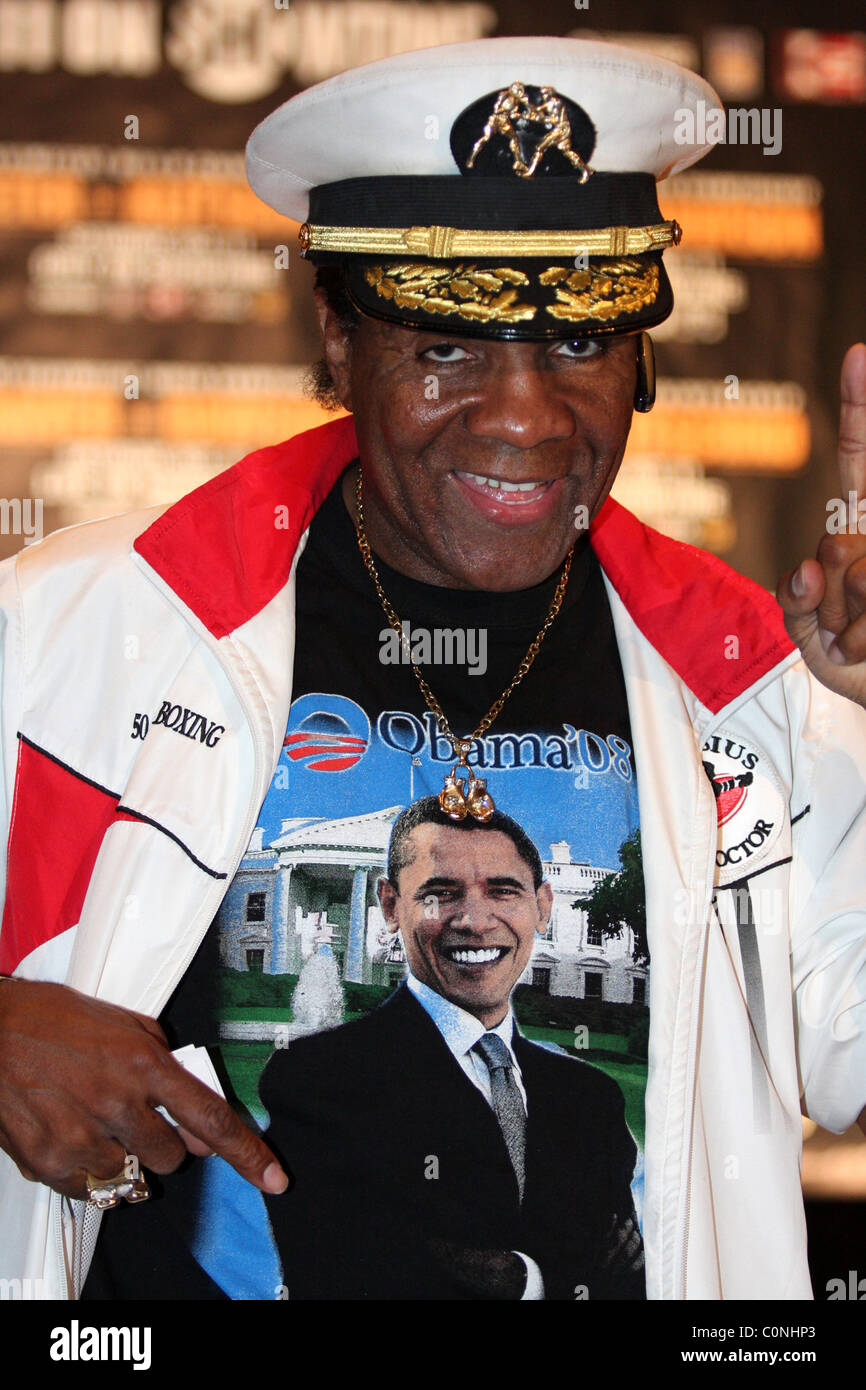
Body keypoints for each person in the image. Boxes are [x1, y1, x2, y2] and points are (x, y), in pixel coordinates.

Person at [0, 36, 864, 1302]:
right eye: (447, 346)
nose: (524, 414)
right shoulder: (76, 627)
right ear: (336, 342)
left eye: (577, 344)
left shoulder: (749, 685)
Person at [259, 797, 645, 1300]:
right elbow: (348, 1269)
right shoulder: (317, 1077)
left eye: (503, 892)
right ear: (392, 905)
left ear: (543, 906)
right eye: (441, 894)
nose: (475, 921)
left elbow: (627, 1279)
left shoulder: (591, 1095)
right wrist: (543, 1274)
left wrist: (490, 1265)